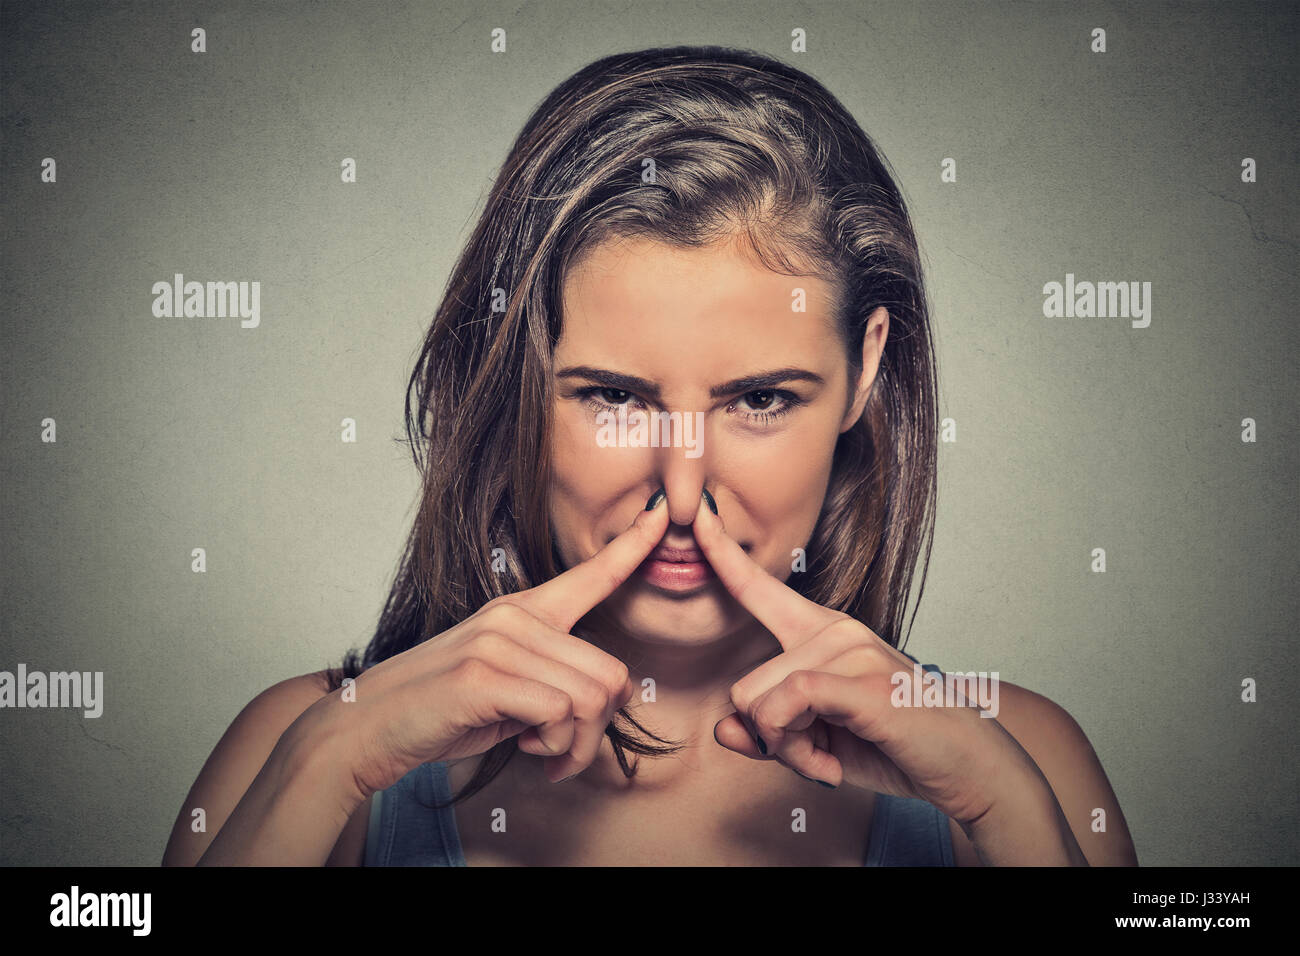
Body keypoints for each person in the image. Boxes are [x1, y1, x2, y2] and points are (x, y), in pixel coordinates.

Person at [162, 45, 1138, 867]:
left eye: (759, 399)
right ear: (519, 385)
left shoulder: (1024, 759)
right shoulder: (306, 752)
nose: (681, 490)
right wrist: (335, 753)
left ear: (864, 367)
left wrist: (1011, 814)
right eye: (613, 397)